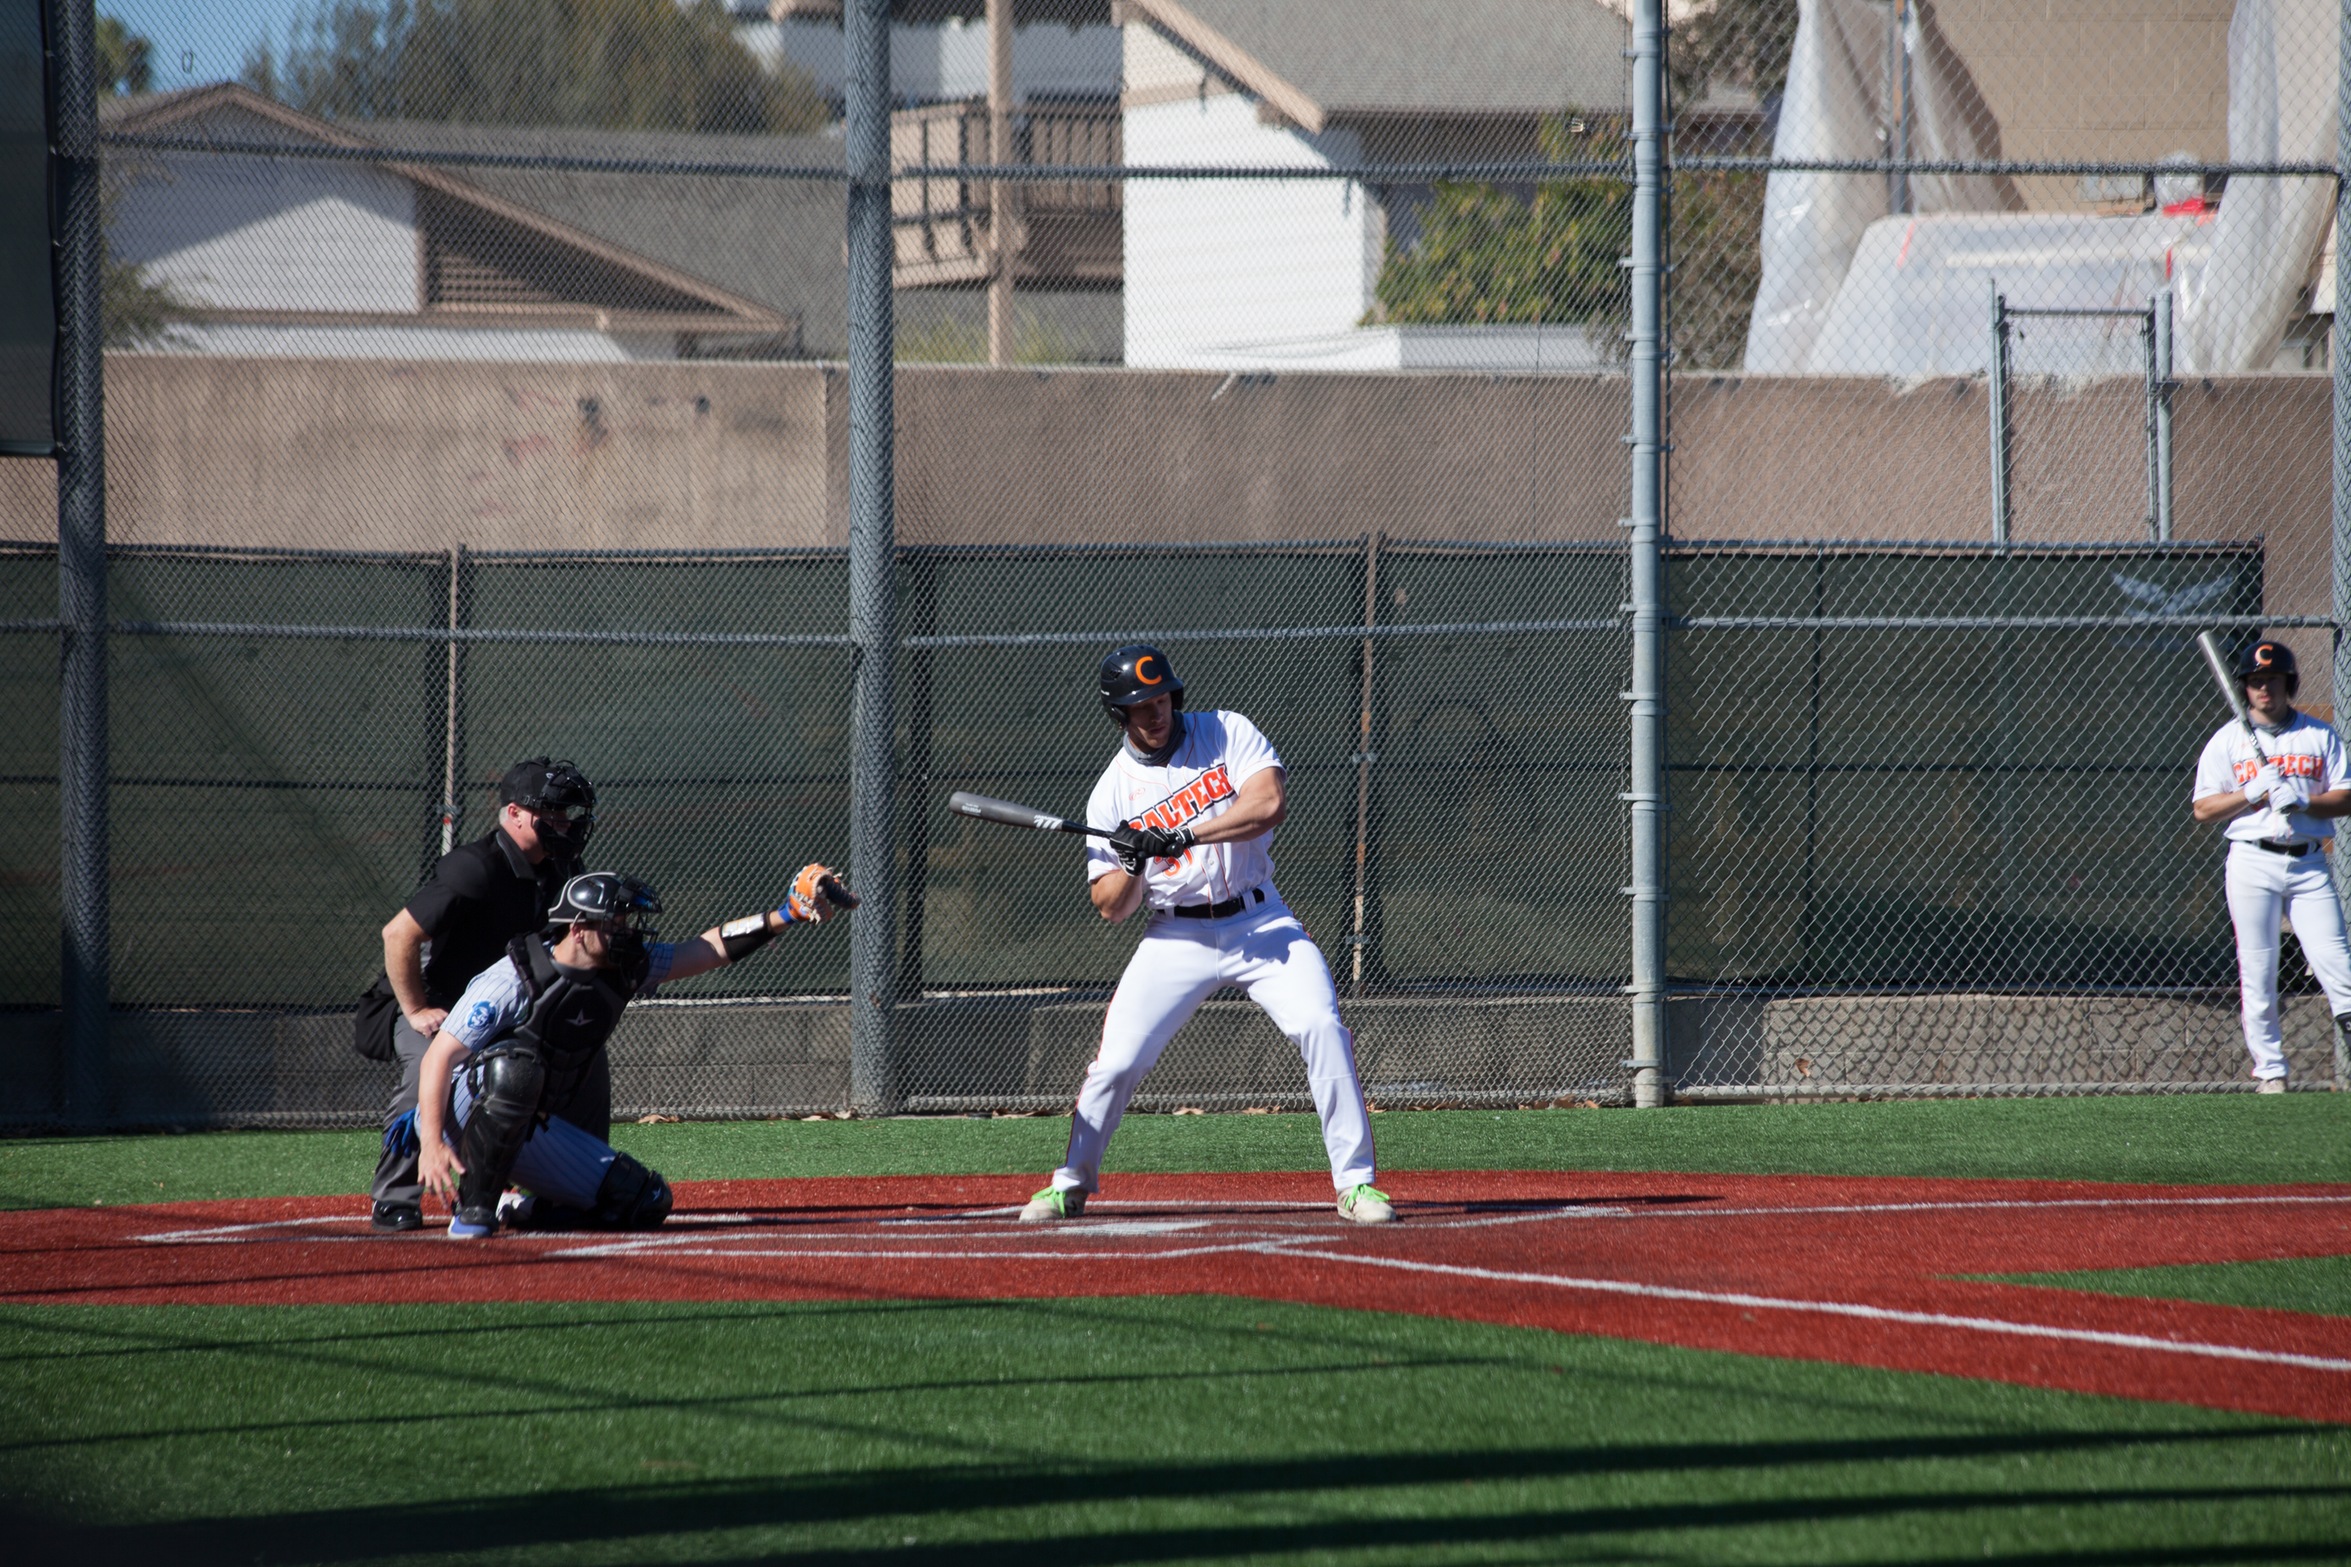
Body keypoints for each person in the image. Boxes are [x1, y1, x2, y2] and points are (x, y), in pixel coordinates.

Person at [1020, 644, 1392, 1225]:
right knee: (1116, 1063)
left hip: (1260, 921)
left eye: (1161, 698)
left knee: (1322, 1025)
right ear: (1119, 714)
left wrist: (1184, 832)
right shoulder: (1111, 791)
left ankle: (1357, 1184)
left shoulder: (1225, 731)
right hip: (1175, 937)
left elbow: (1268, 804)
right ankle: (1070, 1184)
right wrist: (1133, 859)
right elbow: (1111, 907)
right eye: (1140, 705)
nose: (1155, 712)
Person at [415, 864, 856, 1237]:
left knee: (642, 1200)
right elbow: (438, 1059)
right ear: (579, 928)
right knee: (515, 1069)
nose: (627, 932)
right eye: (615, 924)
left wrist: (786, 914)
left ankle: (515, 1208)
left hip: (532, 1121)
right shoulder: (512, 978)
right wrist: (432, 1141)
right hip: (461, 1111)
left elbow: (706, 950)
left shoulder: (622, 968)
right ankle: (472, 1212)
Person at [362, 758, 599, 1232]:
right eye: (548, 813)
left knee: (573, 1048)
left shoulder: (563, 868)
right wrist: (415, 1009)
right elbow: (398, 935)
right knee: (432, 1056)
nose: (562, 824)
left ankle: (572, 1186)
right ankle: (395, 1196)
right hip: (429, 1000)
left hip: (496, 1006)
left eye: (566, 814)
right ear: (513, 814)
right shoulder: (476, 867)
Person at [2189, 639, 2351, 1092]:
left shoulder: (2318, 735)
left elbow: (2346, 797)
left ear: (2289, 685)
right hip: (2251, 861)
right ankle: (2271, 1074)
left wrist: (2303, 799)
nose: (2264, 689)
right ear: (2245, 687)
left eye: (2272, 681)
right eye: (2256, 682)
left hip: (2308, 863)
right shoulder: (2229, 739)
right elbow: (2203, 809)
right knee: (2257, 971)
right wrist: (2251, 792)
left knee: (2337, 964)